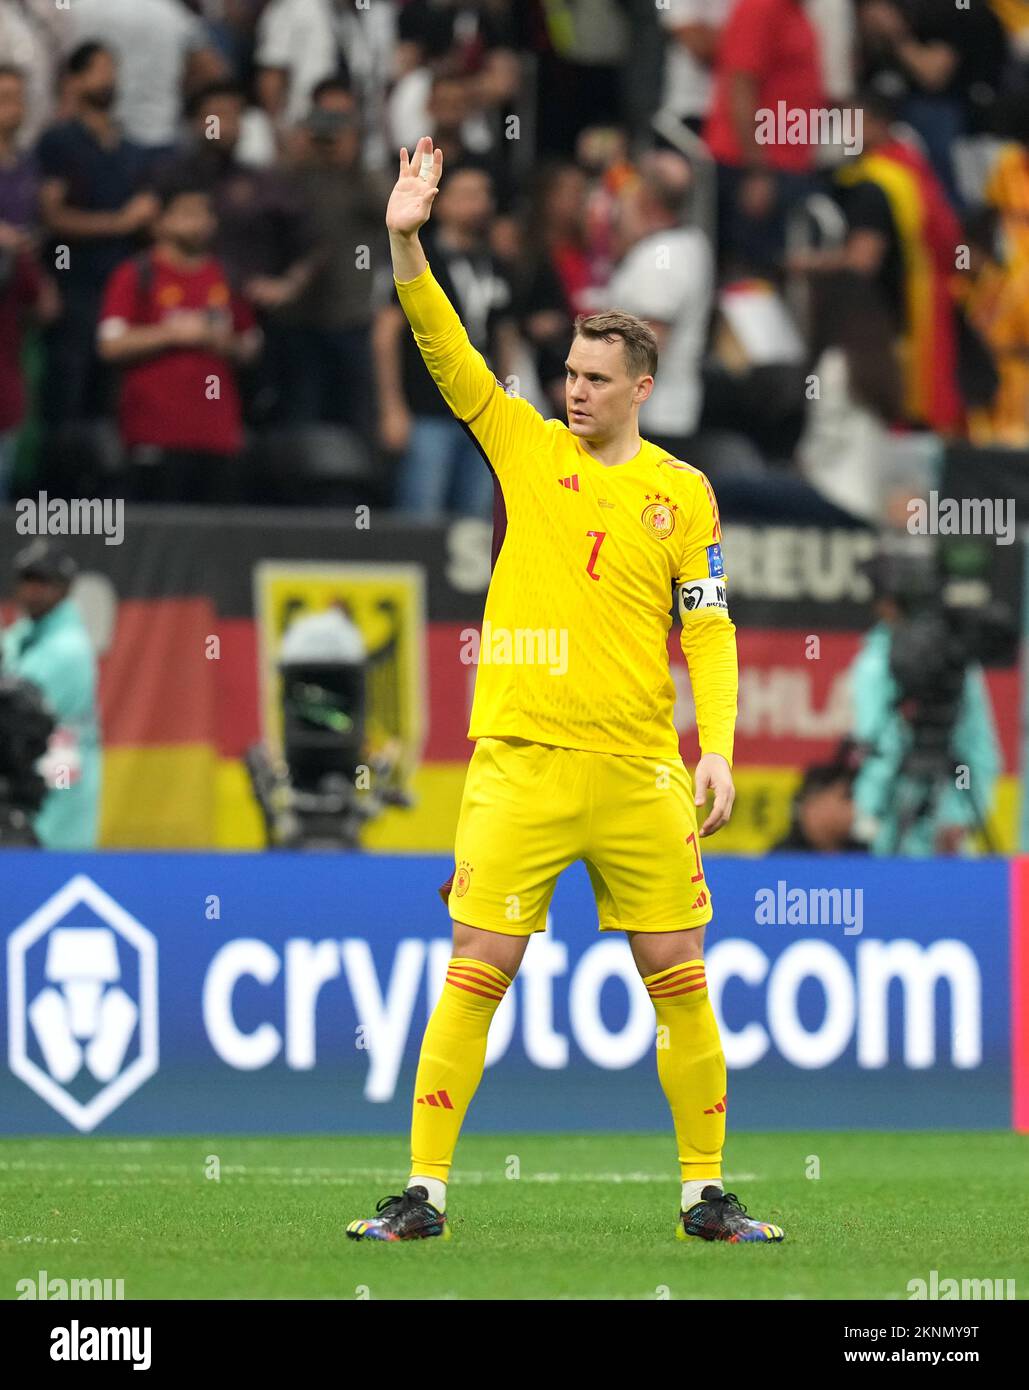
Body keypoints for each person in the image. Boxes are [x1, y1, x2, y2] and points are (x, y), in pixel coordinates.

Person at [347, 136, 784, 1245]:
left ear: (642, 386)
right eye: (569, 375)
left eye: (595, 379)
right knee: (475, 968)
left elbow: (712, 631)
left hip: (641, 771)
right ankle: (424, 1192)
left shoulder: (684, 496)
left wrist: (718, 745)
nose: (573, 390)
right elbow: (446, 350)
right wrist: (405, 240)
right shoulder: (525, 447)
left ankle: (705, 1192)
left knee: (680, 980)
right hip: (521, 764)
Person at [96, 180, 261, 503]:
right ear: (161, 221)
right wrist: (172, 334)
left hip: (218, 436)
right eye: (186, 214)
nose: (197, 222)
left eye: (204, 214)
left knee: (214, 535)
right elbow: (110, 344)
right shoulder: (137, 273)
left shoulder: (226, 276)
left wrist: (219, 341)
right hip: (152, 432)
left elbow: (251, 345)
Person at [374, 158, 517, 520]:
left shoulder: (494, 262)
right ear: (442, 201)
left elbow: (504, 333)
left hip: (482, 411)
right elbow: (386, 333)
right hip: (426, 408)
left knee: (476, 522)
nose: (479, 203)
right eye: (467, 194)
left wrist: (507, 400)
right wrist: (392, 407)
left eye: (484, 194)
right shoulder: (420, 256)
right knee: (422, 517)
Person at [37, 42, 157, 445]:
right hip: (76, 284)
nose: (111, 77)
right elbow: (53, 216)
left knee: (110, 397)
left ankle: (105, 488)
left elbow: (146, 214)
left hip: (123, 288)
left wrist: (146, 217)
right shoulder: (59, 142)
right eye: (101, 68)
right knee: (67, 390)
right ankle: (54, 495)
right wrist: (119, 222)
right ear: (75, 79)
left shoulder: (129, 148)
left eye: (114, 68)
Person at [604, 149, 713, 462]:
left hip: (652, 419)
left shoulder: (659, 258)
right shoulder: (692, 242)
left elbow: (651, 343)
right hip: (673, 411)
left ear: (645, 195)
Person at [0, 540, 101, 850]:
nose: (32, 590)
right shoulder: (25, 633)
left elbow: (15, 706)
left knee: (52, 869)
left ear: (64, 589)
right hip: (24, 776)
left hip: (57, 782)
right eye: (27, 580)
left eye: (42, 582)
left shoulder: (70, 648)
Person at [62, 0, 226, 154]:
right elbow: (214, 74)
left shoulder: (76, 10)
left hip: (94, 138)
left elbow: (63, 73)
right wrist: (212, 129)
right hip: (158, 134)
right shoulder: (170, 12)